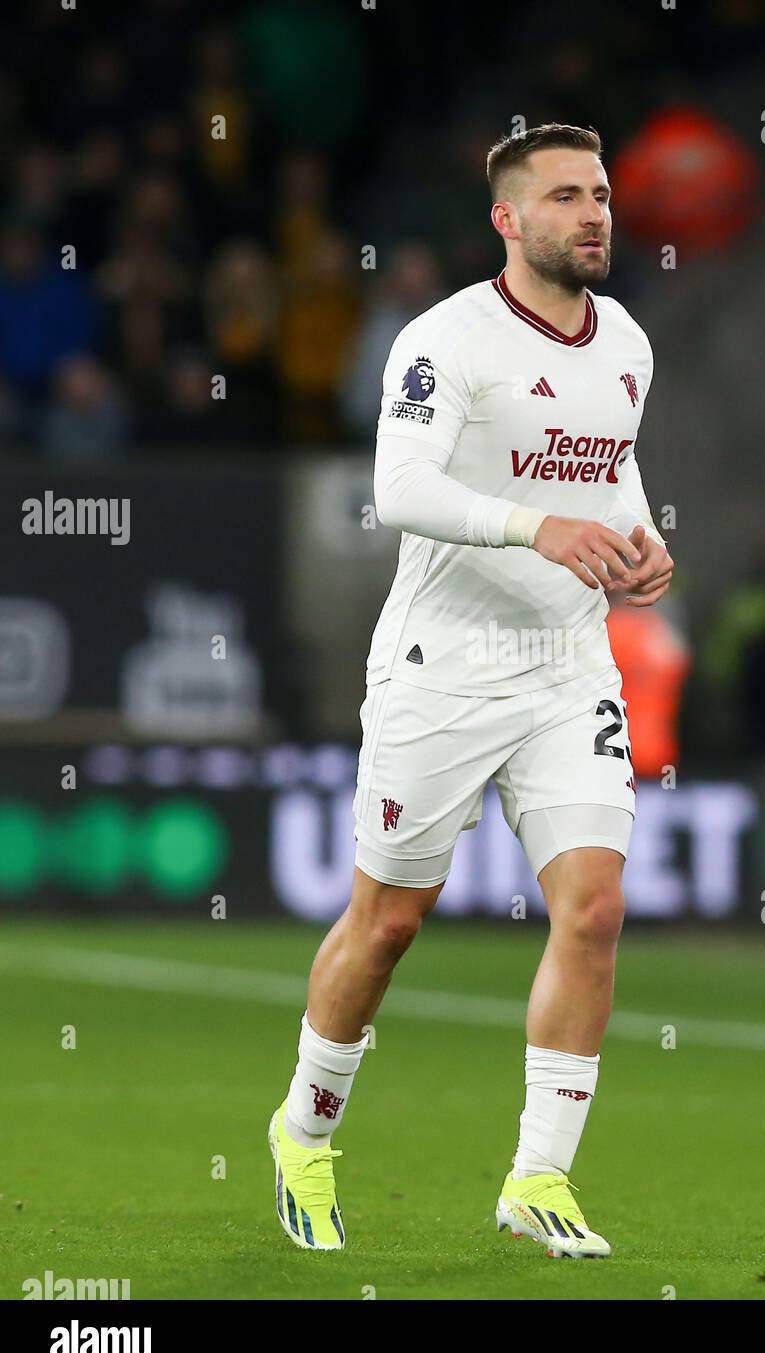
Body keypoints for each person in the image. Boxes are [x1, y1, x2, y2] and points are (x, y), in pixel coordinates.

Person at [267, 123, 673, 1258]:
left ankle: (538, 1179)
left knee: (592, 909)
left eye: (599, 192)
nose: (593, 212)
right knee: (388, 921)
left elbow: (613, 467)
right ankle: (304, 1129)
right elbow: (397, 487)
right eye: (564, 196)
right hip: (442, 663)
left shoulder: (629, 342)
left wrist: (640, 543)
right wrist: (538, 526)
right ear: (508, 219)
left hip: (567, 665)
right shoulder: (445, 341)